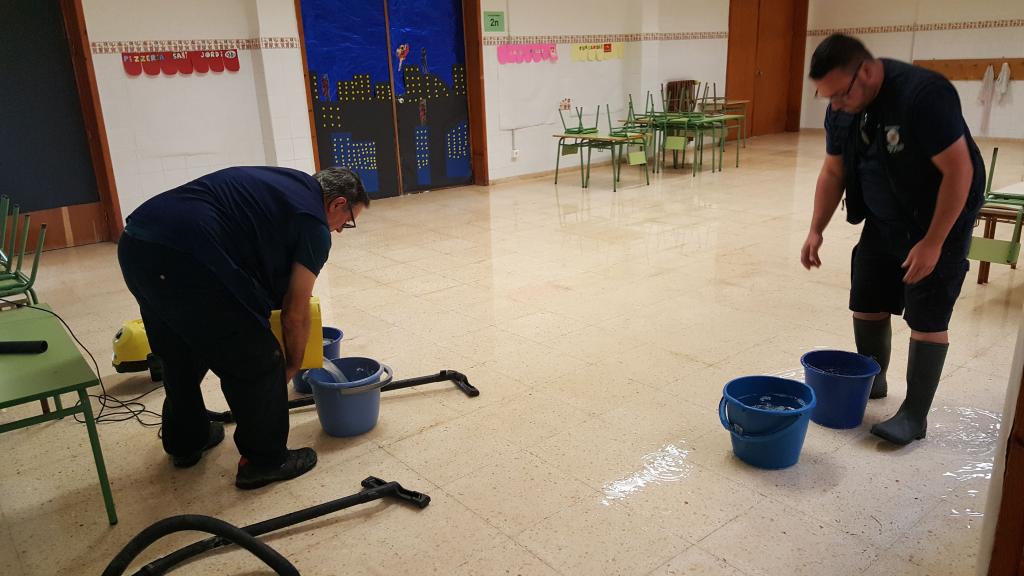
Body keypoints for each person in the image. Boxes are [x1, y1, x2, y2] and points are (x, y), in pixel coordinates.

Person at [118, 166, 368, 487]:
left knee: (182, 349)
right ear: (337, 204)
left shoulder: (286, 185)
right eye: (347, 221)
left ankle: (186, 441)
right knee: (258, 360)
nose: (340, 230)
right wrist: (290, 363)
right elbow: (295, 310)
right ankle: (264, 461)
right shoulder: (314, 225)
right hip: (188, 257)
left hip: (137, 243)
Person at [800, 34, 985, 445]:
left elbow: (959, 172)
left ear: (865, 72)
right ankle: (874, 377)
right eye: (825, 97)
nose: (835, 104)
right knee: (867, 298)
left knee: (927, 314)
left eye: (840, 94)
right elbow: (833, 172)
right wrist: (816, 228)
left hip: (939, 219)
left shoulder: (923, 95)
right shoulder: (844, 108)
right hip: (883, 217)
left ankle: (914, 415)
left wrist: (935, 242)